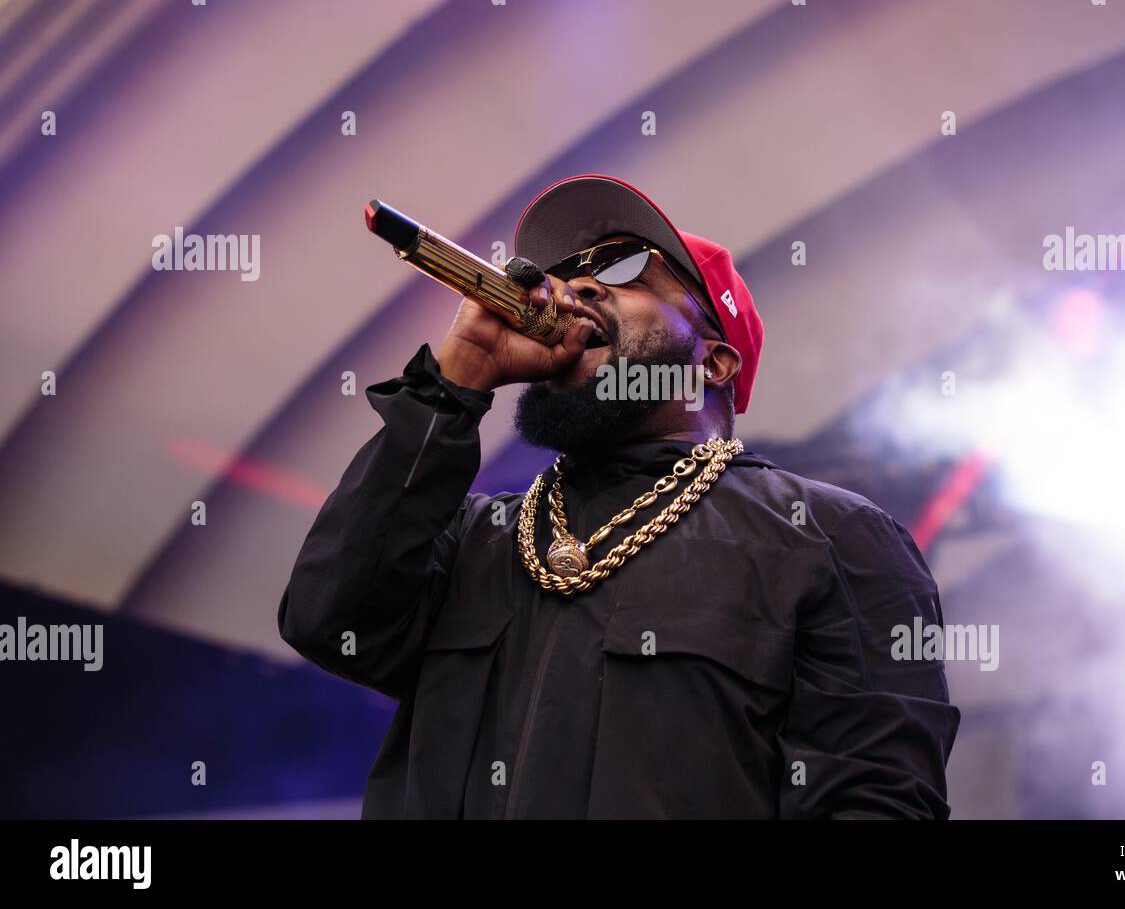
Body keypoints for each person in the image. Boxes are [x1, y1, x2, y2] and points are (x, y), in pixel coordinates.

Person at [279, 173, 960, 818]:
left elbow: (875, 798)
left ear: (714, 362)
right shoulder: (470, 538)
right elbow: (327, 621)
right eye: (566, 273)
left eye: (626, 270)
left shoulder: (828, 538)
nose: (577, 288)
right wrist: (454, 385)